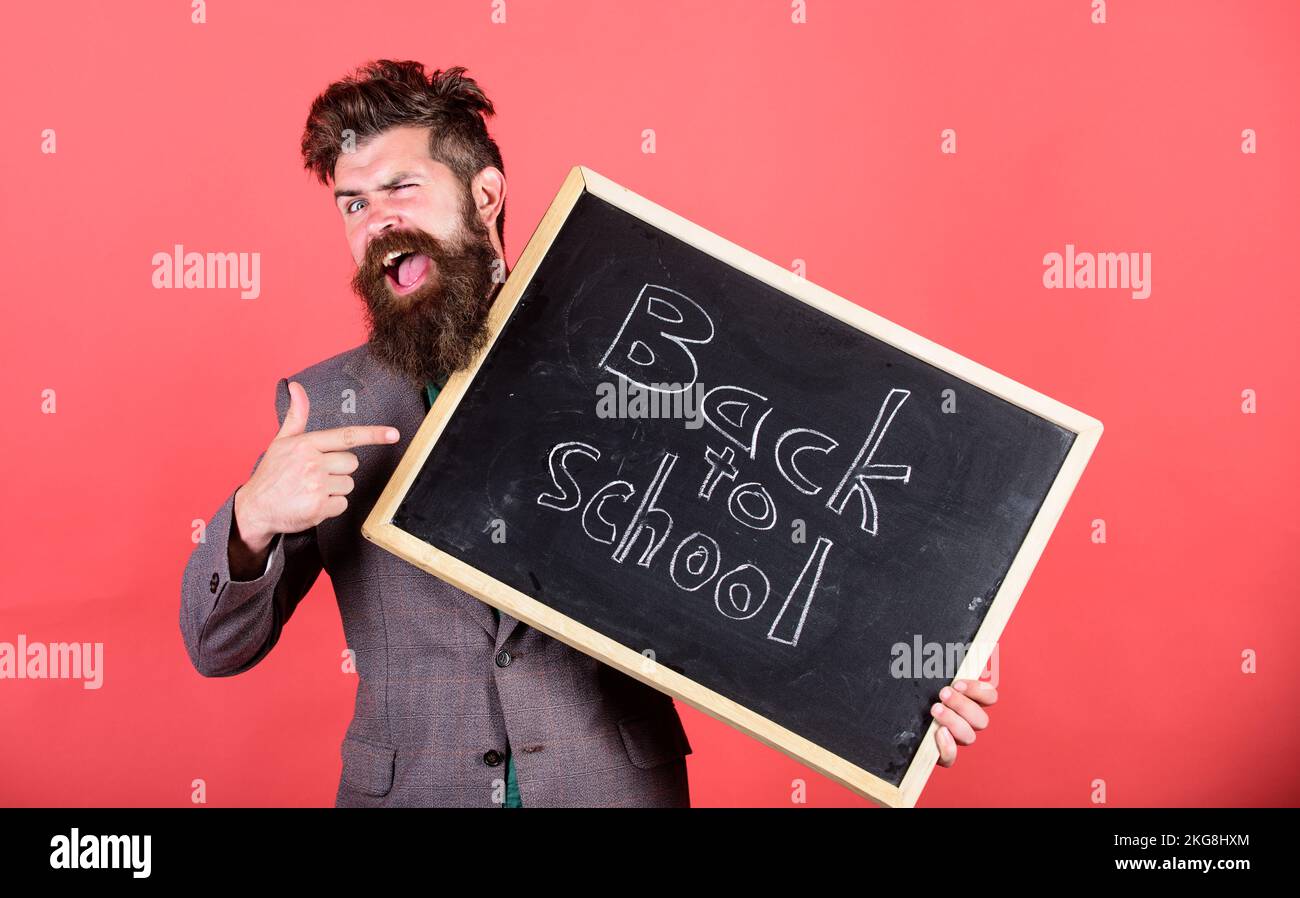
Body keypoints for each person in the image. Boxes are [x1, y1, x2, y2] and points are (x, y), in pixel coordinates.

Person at [178, 59, 994, 808]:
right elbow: (215, 648)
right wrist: (250, 519)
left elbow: (782, 530)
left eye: (402, 189)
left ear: (485, 194)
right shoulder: (324, 404)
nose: (377, 223)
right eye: (354, 204)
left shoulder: (636, 358)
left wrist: (911, 667)